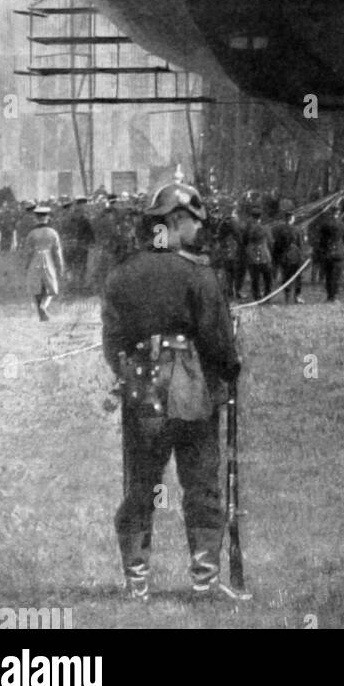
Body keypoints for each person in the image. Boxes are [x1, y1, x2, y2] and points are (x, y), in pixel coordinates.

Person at [102, 181, 241, 603]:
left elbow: (113, 343)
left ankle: (137, 581)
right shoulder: (199, 275)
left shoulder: (122, 274)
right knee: (200, 484)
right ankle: (203, 579)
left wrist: (131, 374)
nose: (199, 232)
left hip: (142, 393)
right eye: (195, 223)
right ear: (177, 220)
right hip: (192, 393)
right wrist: (229, 372)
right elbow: (217, 342)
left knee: (140, 486)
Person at [21, 206, 64, 322]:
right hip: (48, 259)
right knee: (51, 286)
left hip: (35, 259)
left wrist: (26, 265)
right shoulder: (53, 233)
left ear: (36, 218)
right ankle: (43, 306)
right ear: (47, 218)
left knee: (36, 286)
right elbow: (57, 252)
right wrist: (60, 266)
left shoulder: (32, 233)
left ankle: (40, 309)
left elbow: (27, 252)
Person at [312, 205, 344, 303]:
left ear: (330, 213)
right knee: (337, 276)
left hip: (327, 253)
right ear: (338, 213)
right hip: (339, 253)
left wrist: (321, 251)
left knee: (328, 275)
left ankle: (330, 296)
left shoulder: (324, 225)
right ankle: (334, 296)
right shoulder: (343, 225)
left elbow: (321, 240)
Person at [270, 203, 306, 304]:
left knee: (286, 276)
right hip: (295, 257)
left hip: (283, 257)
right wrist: (301, 256)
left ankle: (287, 295)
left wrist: (276, 258)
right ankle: (297, 296)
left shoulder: (279, 230)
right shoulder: (297, 230)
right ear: (292, 219)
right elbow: (300, 244)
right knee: (297, 277)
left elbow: (276, 245)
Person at [241, 207, 273, 302]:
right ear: (260, 217)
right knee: (267, 277)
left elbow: (244, 240)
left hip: (252, 255)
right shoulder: (265, 227)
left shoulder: (247, 228)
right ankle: (267, 295)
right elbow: (271, 241)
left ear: (252, 216)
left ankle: (257, 296)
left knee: (255, 277)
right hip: (264, 255)